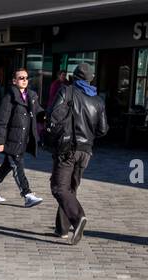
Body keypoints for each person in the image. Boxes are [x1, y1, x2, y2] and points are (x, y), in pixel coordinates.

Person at [46, 62, 108, 243]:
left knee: (58, 188)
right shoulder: (98, 100)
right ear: (91, 79)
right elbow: (103, 130)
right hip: (86, 151)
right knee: (70, 190)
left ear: (75, 76)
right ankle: (62, 229)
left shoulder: (67, 91)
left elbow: (54, 115)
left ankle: (78, 217)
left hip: (68, 148)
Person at [0, 68, 43, 208]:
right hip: (12, 139)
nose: (24, 80)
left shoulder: (32, 96)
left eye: (26, 78)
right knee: (17, 165)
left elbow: (38, 111)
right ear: (14, 81)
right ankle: (27, 194)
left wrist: (46, 116)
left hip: (24, 139)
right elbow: (1, 121)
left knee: (8, 165)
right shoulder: (9, 97)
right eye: (21, 78)